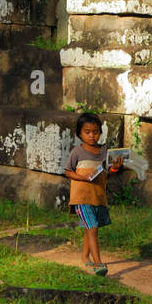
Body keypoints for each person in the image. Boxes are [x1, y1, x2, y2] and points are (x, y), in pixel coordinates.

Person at [64, 112, 123, 276]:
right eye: (87, 132)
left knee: (89, 228)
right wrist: (82, 177)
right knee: (93, 228)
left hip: (97, 196)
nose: (92, 136)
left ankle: (84, 257)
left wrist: (116, 167)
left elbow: (107, 173)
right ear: (79, 133)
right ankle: (98, 263)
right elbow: (68, 171)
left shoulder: (103, 151)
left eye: (95, 132)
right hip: (81, 198)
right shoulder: (77, 152)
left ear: (100, 132)